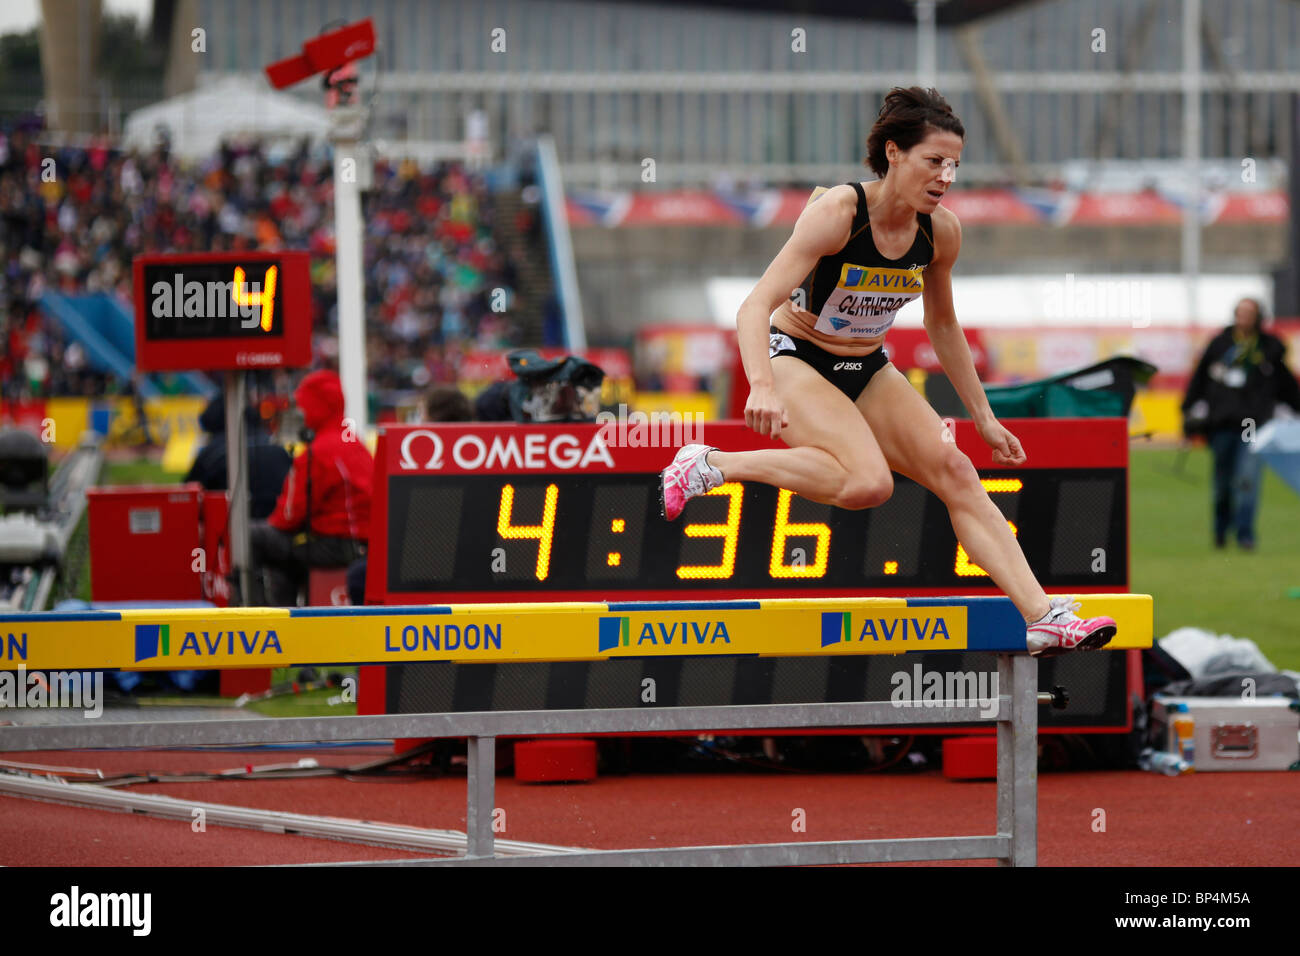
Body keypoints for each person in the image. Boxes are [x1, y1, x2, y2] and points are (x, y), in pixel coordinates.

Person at [659, 86, 1117, 657]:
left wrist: (985, 416)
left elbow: (943, 326)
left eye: (955, 165)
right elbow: (753, 305)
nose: (946, 176)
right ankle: (709, 464)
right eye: (934, 161)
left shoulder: (941, 231)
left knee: (956, 469)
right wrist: (764, 386)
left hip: (868, 364)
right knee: (868, 483)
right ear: (894, 153)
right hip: (798, 354)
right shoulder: (838, 214)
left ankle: (1045, 615)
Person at [1181, 297, 1300, 549]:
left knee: (1247, 480)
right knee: (1222, 484)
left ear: (1258, 317)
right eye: (1240, 313)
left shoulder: (1269, 348)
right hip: (1223, 424)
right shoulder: (1220, 345)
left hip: (1254, 425)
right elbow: (1199, 380)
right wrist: (1188, 411)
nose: (1243, 318)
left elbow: (1286, 385)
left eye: (1249, 313)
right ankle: (1220, 532)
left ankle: (1245, 534)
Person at [247, 370, 373, 606]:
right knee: (286, 549)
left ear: (318, 406)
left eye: (304, 405)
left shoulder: (318, 452)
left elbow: (287, 517)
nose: (301, 413)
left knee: (252, 536)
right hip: (365, 546)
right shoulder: (355, 443)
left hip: (336, 546)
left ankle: (263, 617)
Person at [345, 384, 474, 605]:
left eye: (421, 413)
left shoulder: (420, 458)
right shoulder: (476, 450)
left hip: (429, 567)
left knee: (359, 577)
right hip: (469, 562)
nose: (417, 420)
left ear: (434, 417)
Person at [186, 393, 292, 520]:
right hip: (280, 523)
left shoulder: (212, 454)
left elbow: (188, 494)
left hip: (234, 527)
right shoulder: (277, 448)